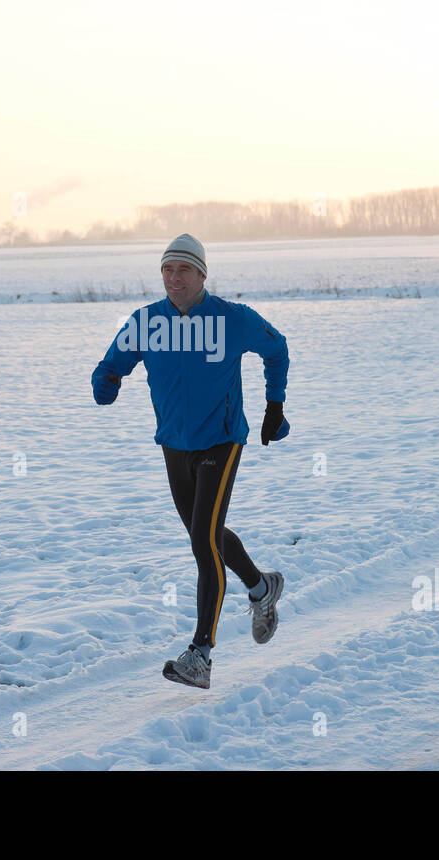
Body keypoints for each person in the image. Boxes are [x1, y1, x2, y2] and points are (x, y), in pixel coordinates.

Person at [91, 233, 291, 689]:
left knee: (203, 542)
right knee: (211, 534)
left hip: (221, 440)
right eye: (167, 269)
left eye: (183, 270)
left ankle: (200, 653)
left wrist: (274, 406)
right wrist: (105, 380)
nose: (173, 278)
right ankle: (261, 587)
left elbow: (276, 349)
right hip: (174, 444)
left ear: (202, 274)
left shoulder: (232, 318)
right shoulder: (146, 322)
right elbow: (113, 362)